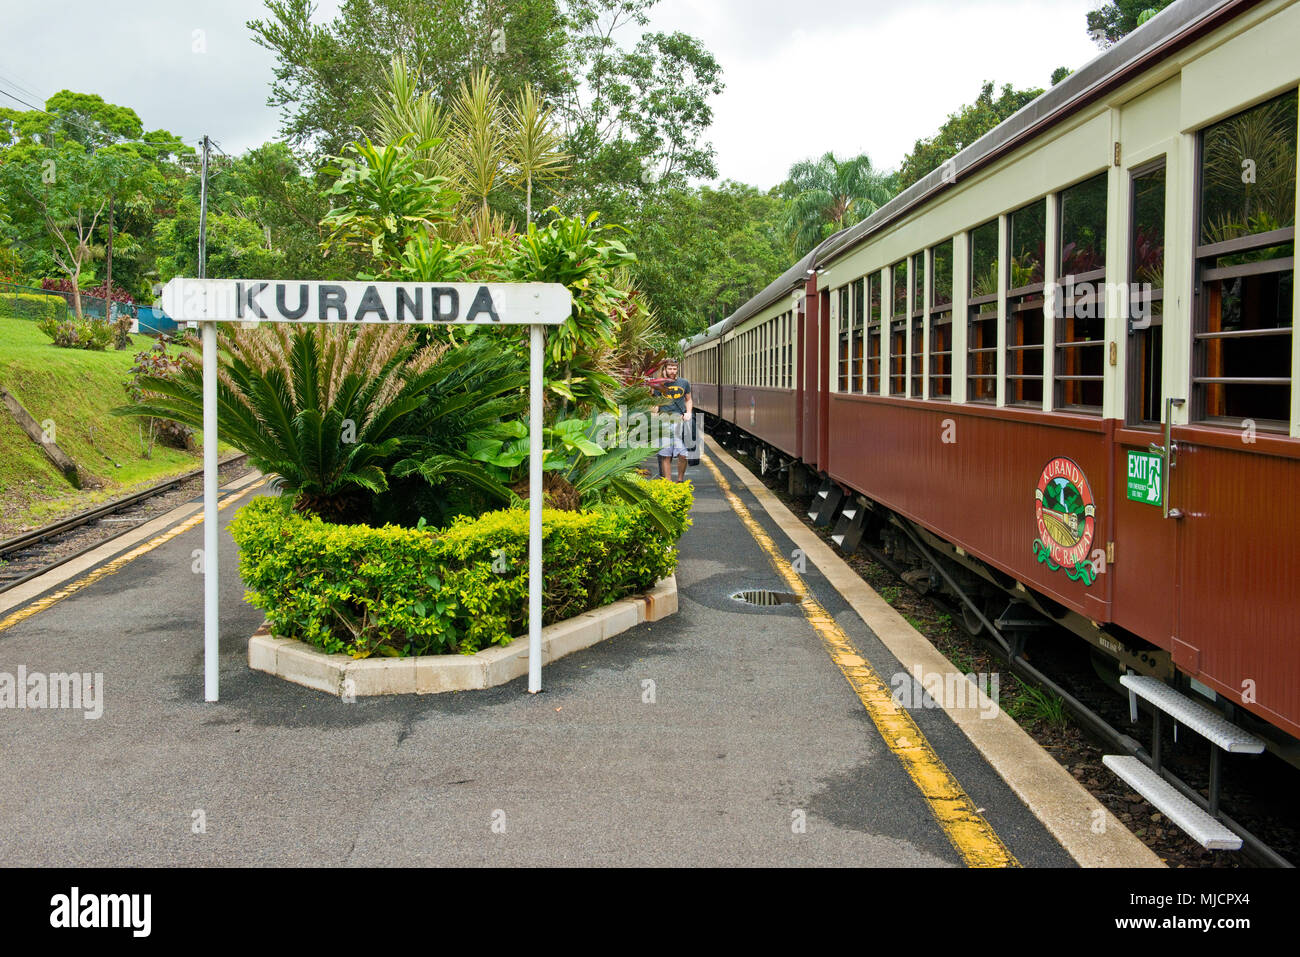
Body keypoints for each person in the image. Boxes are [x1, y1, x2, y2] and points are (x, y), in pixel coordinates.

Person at [654, 359, 693, 482]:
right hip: (664, 421)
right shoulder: (659, 384)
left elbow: (688, 399)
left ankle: (680, 480)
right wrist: (654, 416)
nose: (672, 371)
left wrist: (688, 413)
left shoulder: (684, 383)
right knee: (665, 454)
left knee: (683, 453)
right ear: (665, 369)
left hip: (679, 422)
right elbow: (656, 402)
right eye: (669, 369)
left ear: (677, 369)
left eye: (674, 369)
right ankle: (668, 482)